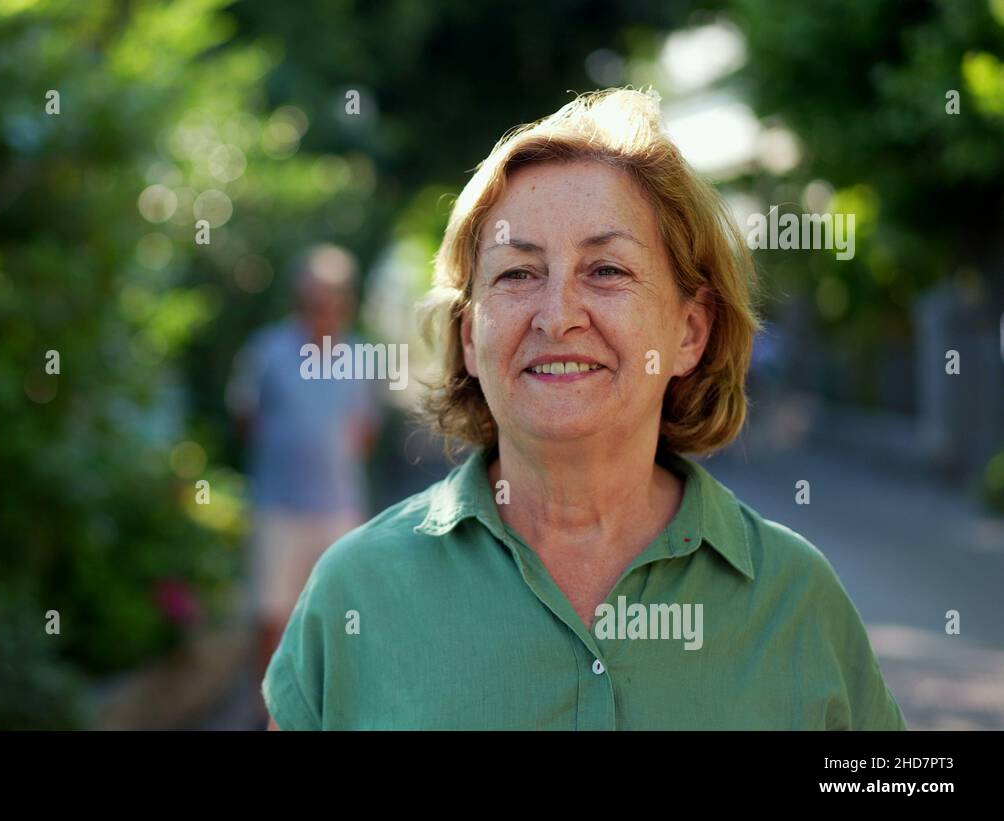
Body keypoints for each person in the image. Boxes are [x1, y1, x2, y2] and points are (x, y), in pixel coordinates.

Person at [262, 89, 906, 730]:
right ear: (469, 336)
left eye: (605, 270)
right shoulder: (356, 593)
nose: (558, 316)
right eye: (517, 274)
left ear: (689, 330)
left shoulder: (798, 599)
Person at [226, 243, 381, 727]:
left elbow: (365, 429)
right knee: (272, 614)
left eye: (331, 296)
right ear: (299, 297)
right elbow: (245, 415)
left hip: (338, 509)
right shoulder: (266, 349)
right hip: (278, 505)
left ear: (345, 300)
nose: (322, 306)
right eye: (313, 296)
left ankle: (330, 710)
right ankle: (267, 712)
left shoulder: (362, 355)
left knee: (339, 615)